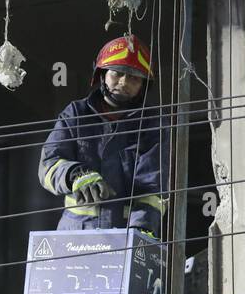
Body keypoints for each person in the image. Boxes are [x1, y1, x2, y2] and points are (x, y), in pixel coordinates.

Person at [38, 34, 167, 234]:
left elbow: (152, 189)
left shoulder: (152, 124)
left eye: (133, 78)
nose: (124, 82)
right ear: (102, 75)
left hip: (125, 234)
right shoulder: (76, 113)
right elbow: (48, 166)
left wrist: (139, 237)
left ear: (143, 86)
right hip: (76, 235)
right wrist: (76, 175)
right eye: (117, 73)